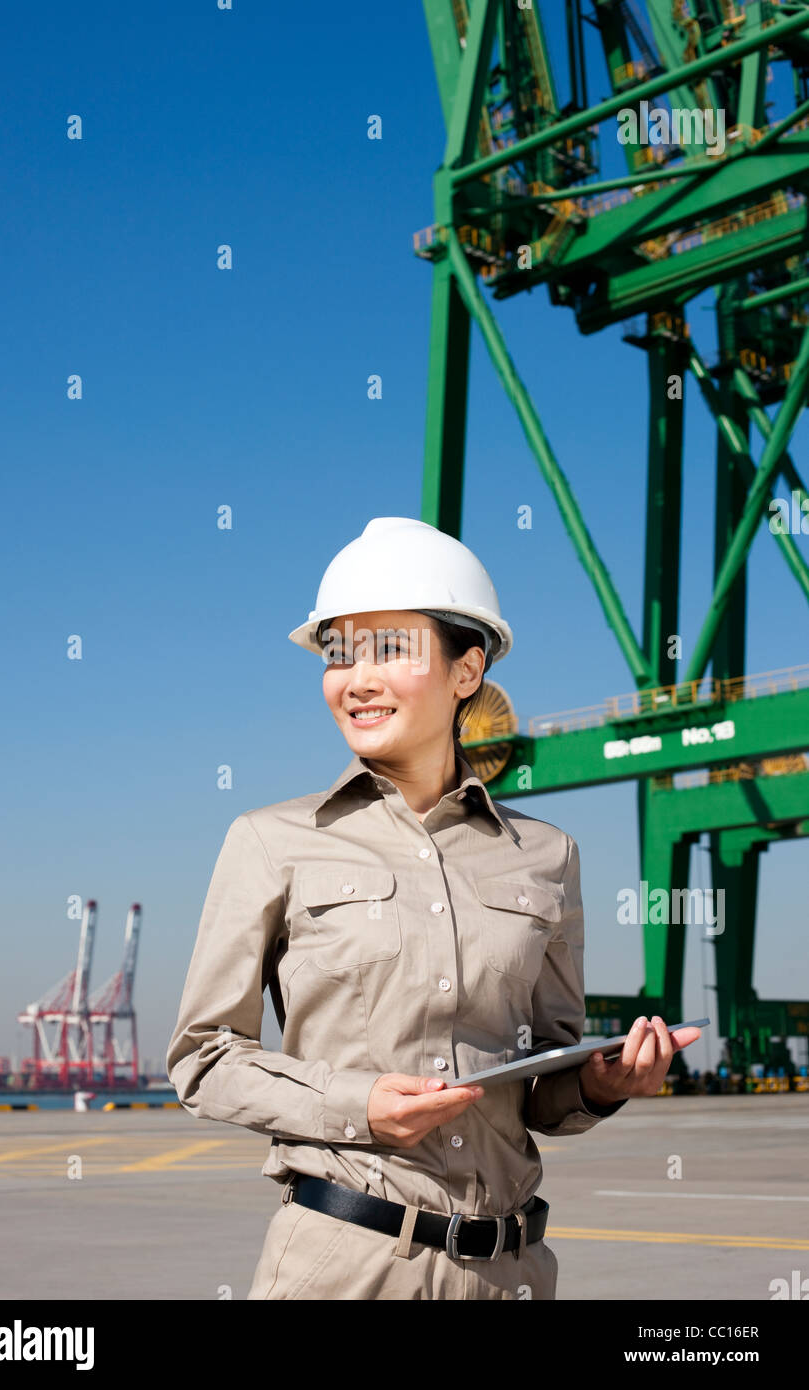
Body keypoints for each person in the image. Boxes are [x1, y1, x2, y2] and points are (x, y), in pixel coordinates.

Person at [166, 515, 701, 1300]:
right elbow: (202, 1059)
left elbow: (544, 1089)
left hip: (512, 1272)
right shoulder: (269, 841)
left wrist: (602, 1084)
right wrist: (361, 1107)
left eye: (390, 650)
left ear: (467, 669)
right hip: (345, 1266)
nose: (356, 679)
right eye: (338, 654)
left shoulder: (547, 856)